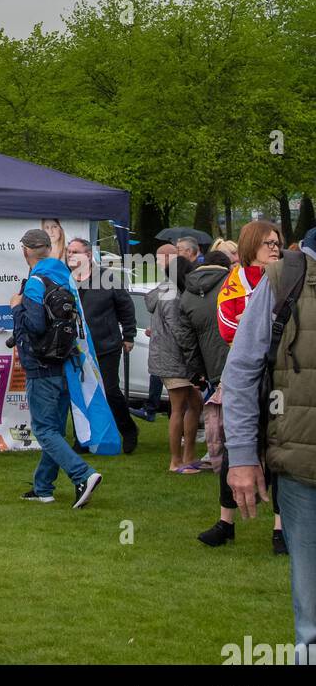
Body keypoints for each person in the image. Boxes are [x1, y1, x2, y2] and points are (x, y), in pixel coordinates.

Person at [222, 227, 316, 656]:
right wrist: (241, 457)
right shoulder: (285, 279)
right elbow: (241, 372)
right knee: (313, 623)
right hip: (303, 469)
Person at [207, 220, 286, 552]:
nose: (273, 247)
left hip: (280, 375)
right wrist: (252, 324)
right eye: (267, 242)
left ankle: (281, 528)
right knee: (235, 447)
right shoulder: (236, 279)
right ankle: (226, 521)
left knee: (281, 449)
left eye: (276, 242)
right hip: (245, 375)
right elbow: (226, 323)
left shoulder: (287, 278)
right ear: (251, 245)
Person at [13, 229, 102, 507]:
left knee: (44, 430)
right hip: (66, 361)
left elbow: (36, 324)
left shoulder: (35, 282)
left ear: (25, 251)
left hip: (41, 364)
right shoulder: (65, 276)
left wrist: (16, 308)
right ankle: (43, 488)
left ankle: (82, 474)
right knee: (54, 429)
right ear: (50, 249)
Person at [66, 238, 138, 454]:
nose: (70, 255)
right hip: (76, 348)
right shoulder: (66, 280)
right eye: (68, 251)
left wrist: (129, 335)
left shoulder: (107, 277)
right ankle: (85, 437)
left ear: (88, 255)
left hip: (105, 345)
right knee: (81, 393)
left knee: (110, 390)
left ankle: (128, 429)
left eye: (75, 251)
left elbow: (126, 307)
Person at [176, 249, 232, 485]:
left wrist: (196, 370)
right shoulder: (232, 285)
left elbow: (186, 340)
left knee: (215, 413)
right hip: (237, 357)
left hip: (210, 364)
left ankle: (215, 455)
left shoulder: (187, 295)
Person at [145, 254, 200, 472]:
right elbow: (179, 331)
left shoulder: (165, 292)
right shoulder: (172, 296)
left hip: (169, 358)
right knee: (178, 408)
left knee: (195, 404)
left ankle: (188, 456)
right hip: (173, 359)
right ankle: (176, 461)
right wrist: (194, 354)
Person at [132, 242, 176, 422]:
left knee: (167, 381)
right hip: (167, 340)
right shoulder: (174, 281)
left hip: (168, 344)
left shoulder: (171, 282)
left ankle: (151, 408)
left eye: (158, 259)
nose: (156, 263)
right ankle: (152, 408)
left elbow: (151, 302)